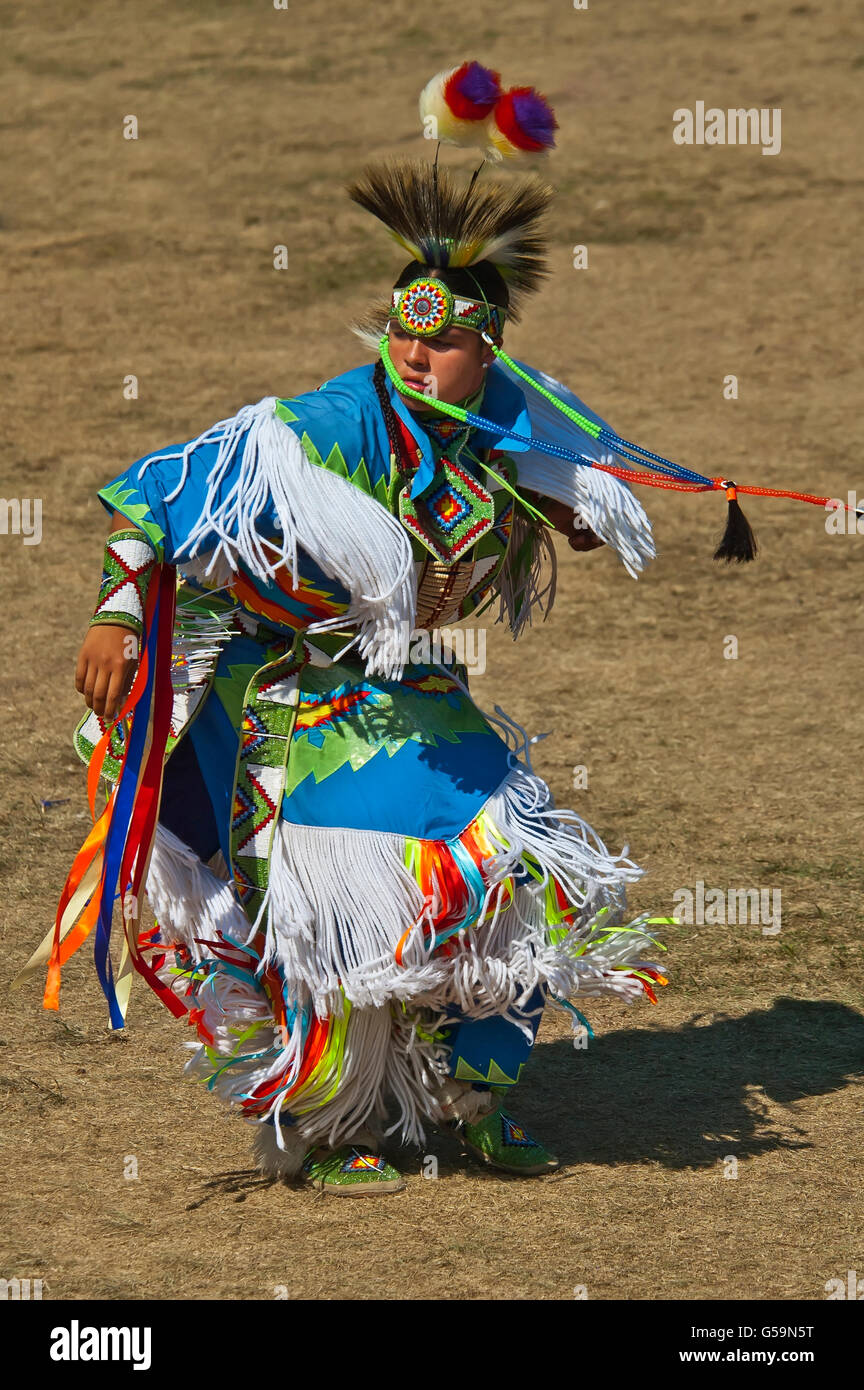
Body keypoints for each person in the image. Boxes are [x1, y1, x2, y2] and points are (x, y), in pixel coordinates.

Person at [28, 63, 671, 1196]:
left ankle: (469, 1094)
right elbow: (162, 492)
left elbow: (580, 464)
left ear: (489, 355)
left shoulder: (505, 421)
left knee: (507, 873)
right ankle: (336, 1121)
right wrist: (119, 616)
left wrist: (565, 506)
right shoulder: (323, 427)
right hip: (291, 703)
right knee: (335, 908)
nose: (414, 357)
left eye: (443, 346)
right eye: (402, 336)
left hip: (410, 697)